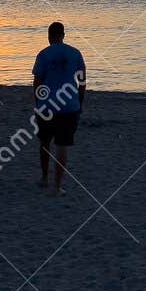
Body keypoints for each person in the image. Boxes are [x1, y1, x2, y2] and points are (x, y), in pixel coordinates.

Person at [32, 21, 86, 196]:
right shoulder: (75, 53)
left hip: (47, 105)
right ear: (63, 35)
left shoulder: (43, 54)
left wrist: (37, 102)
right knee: (62, 145)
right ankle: (57, 186)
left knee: (45, 142)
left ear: (49, 36)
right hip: (69, 106)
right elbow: (82, 81)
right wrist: (80, 102)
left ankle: (44, 177)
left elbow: (38, 82)